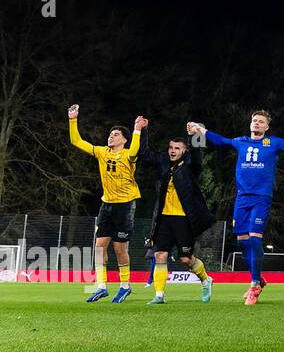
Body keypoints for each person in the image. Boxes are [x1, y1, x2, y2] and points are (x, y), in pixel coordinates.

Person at [188, 110, 284, 305]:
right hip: (242, 198)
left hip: (261, 198)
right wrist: (199, 129)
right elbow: (220, 141)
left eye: (261, 121)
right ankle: (259, 278)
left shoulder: (273, 143)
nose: (257, 123)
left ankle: (254, 286)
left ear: (267, 127)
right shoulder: (241, 141)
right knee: (242, 241)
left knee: (254, 238)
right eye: (254, 120)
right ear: (250, 124)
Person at [69, 105, 146, 303]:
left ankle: (125, 286)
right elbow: (76, 141)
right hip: (107, 205)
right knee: (99, 247)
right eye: (111, 134)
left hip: (125, 206)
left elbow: (135, 149)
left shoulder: (129, 154)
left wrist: (137, 129)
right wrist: (73, 119)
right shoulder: (102, 152)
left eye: (116, 134)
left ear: (124, 140)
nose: (111, 136)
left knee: (120, 249)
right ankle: (101, 286)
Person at [139, 128, 216, 305]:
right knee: (160, 255)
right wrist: (143, 131)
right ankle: (159, 295)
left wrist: (193, 134)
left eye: (177, 148)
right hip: (163, 219)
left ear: (185, 151)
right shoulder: (163, 162)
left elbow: (197, 157)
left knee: (186, 259)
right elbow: (144, 154)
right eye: (171, 147)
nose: (173, 151)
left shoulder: (190, 166)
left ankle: (205, 280)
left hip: (184, 220)